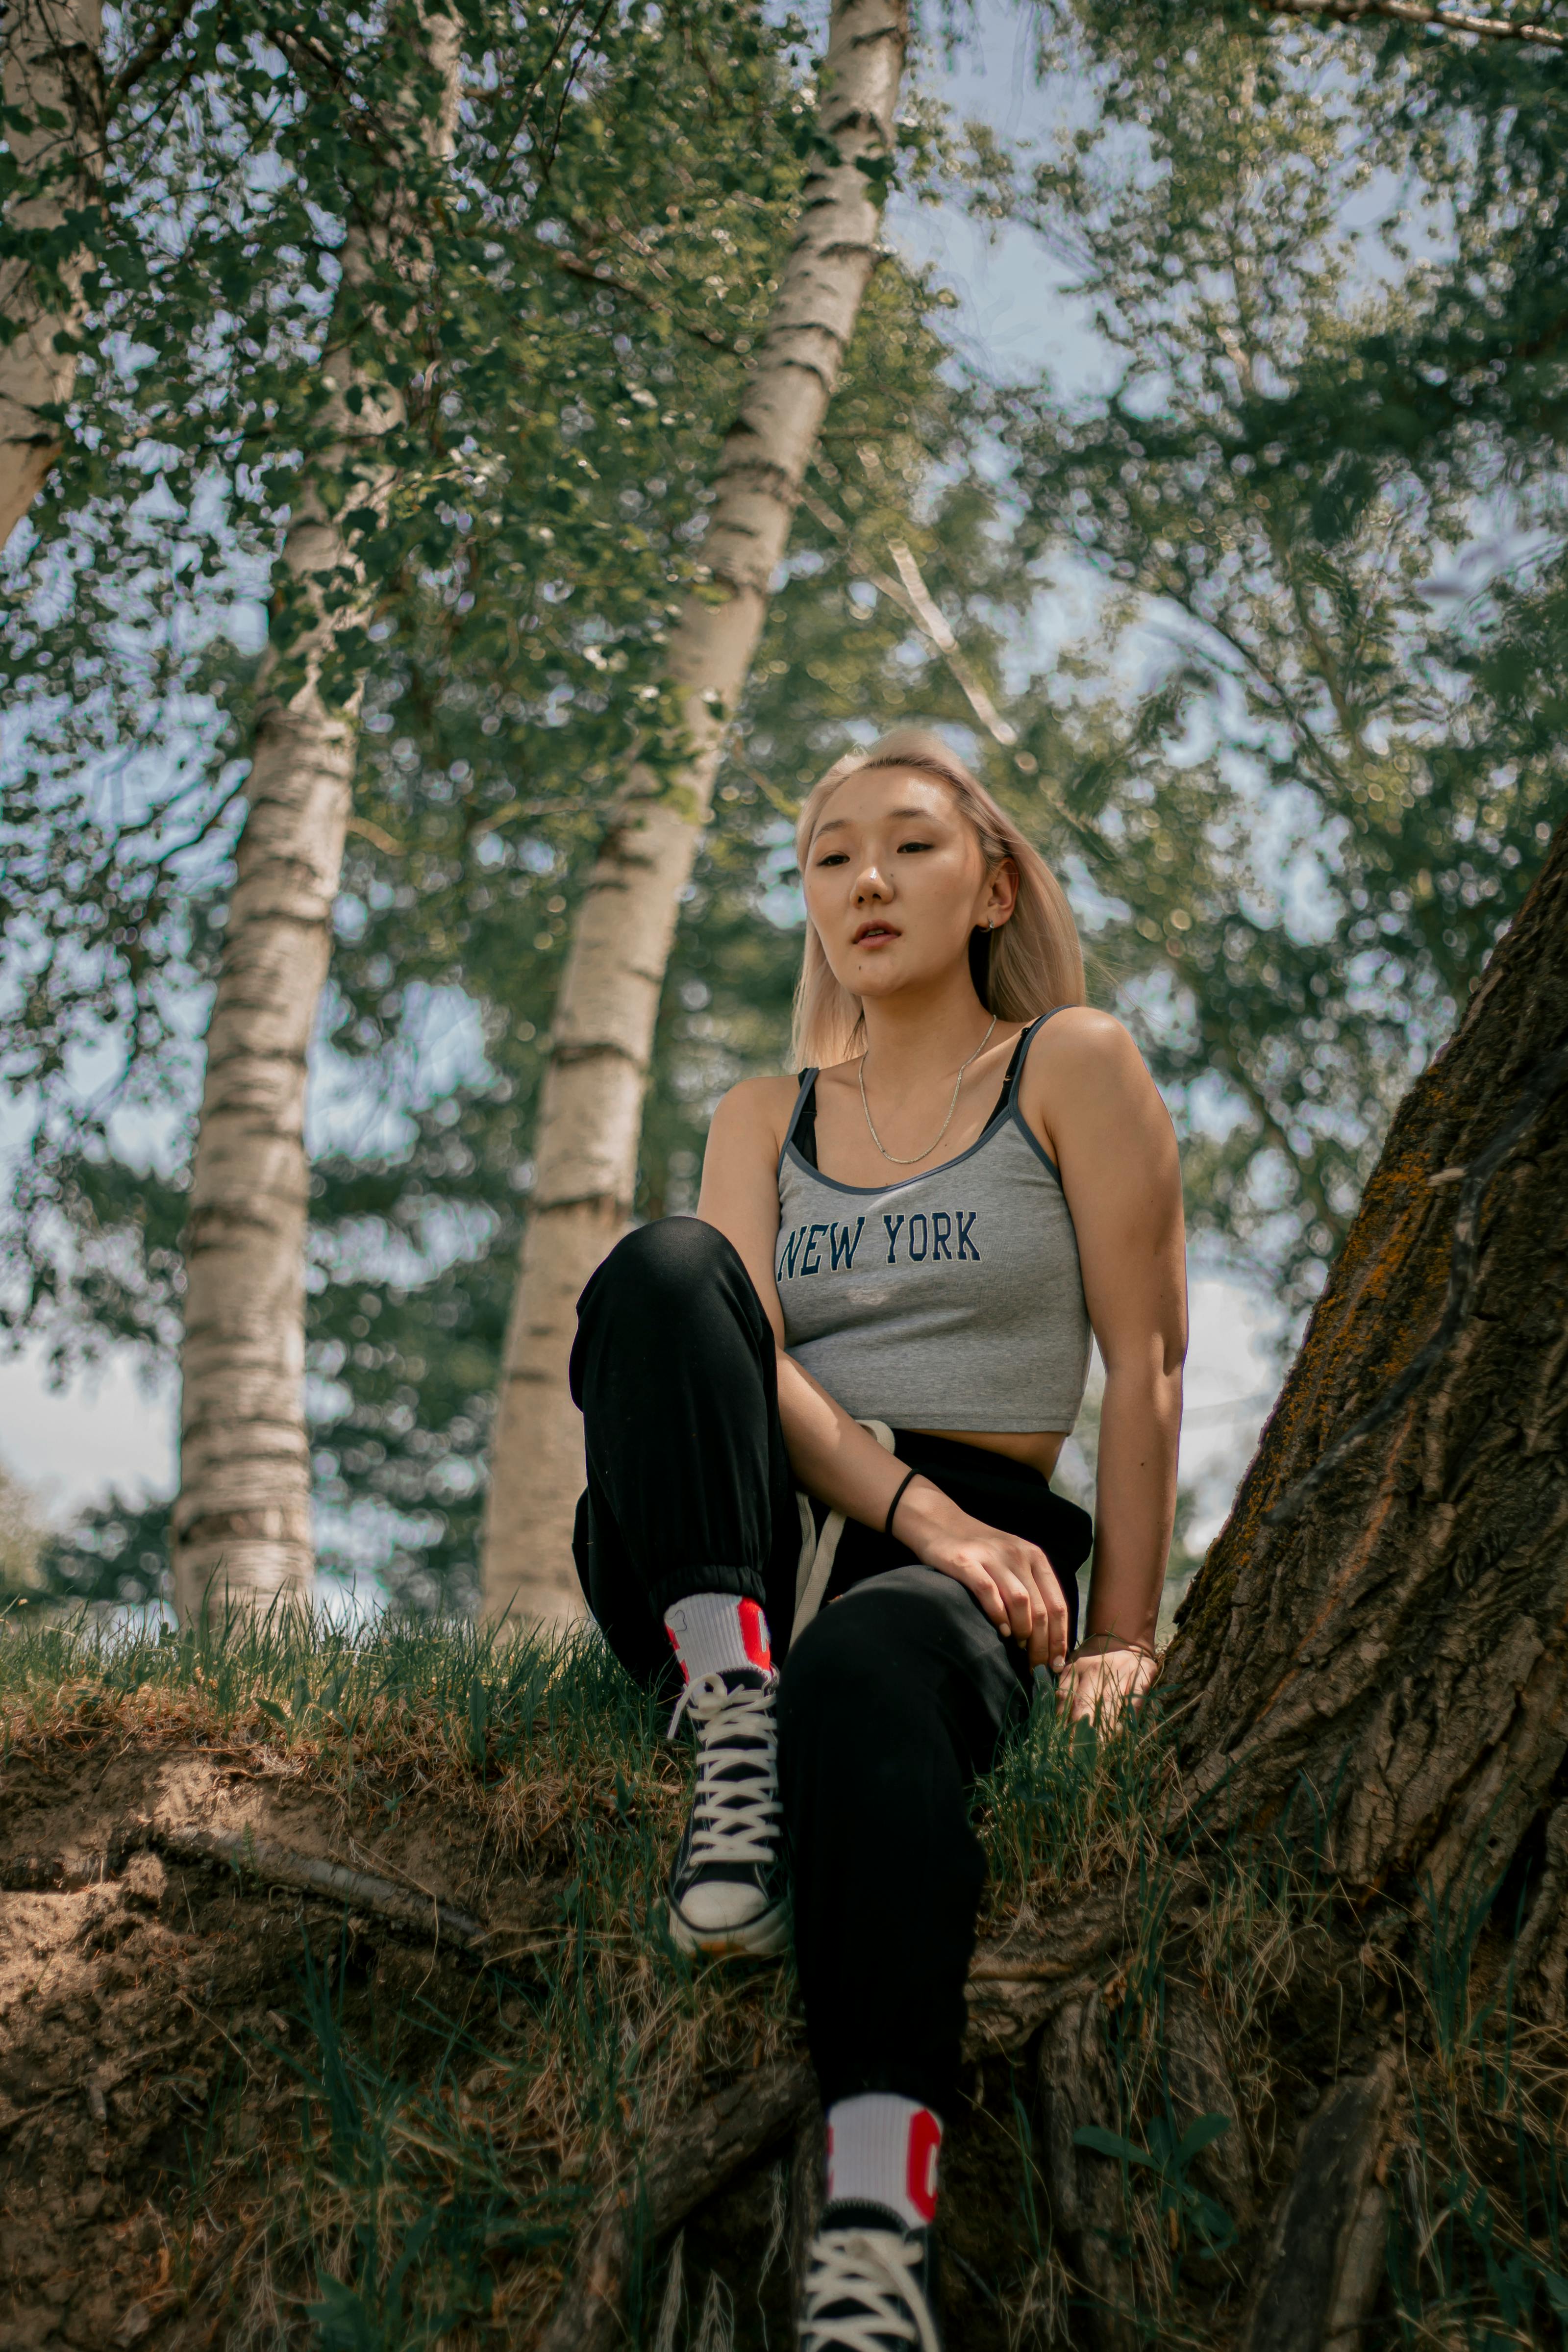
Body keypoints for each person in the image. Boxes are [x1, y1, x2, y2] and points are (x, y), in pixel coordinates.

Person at [568, 728, 1186, 2348]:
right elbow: (734, 1356)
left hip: (967, 1566)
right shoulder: (762, 1112)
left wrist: (1123, 1637)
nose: (866, 881)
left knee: (865, 1681)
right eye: (830, 856)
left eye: (909, 846)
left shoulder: (1074, 1065)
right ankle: (732, 1725)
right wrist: (915, 1509)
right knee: (663, 1270)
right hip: (740, 1540)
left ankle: (872, 2231)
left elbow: (1148, 1363)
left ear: (993, 887)